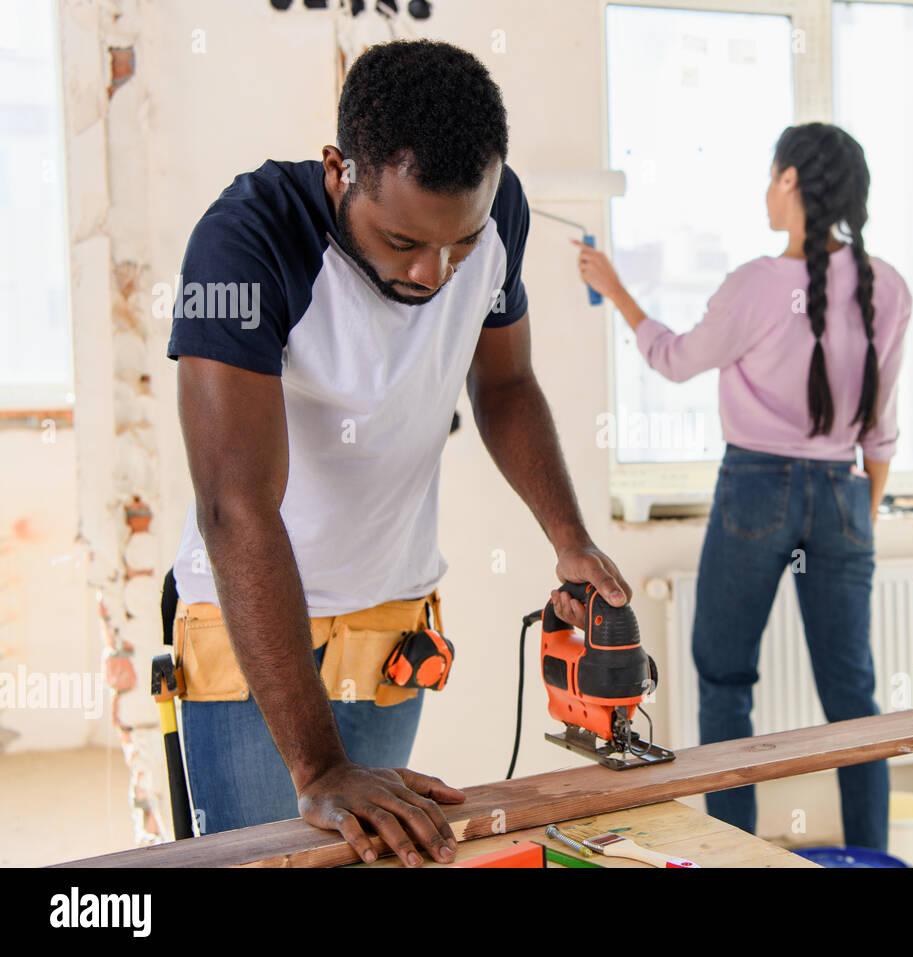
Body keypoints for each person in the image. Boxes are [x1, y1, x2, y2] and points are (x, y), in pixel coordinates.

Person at [165, 39, 630, 866]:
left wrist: (570, 538)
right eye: (403, 239)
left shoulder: (501, 213)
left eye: (459, 243)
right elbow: (235, 507)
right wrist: (321, 766)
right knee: (264, 861)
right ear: (340, 169)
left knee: (378, 858)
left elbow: (508, 384)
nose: (433, 272)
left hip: (392, 613)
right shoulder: (244, 240)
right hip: (251, 627)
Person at [573, 122, 911, 850]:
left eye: (770, 175)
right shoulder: (890, 287)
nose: (765, 189)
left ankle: (736, 858)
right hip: (846, 490)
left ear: (790, 182)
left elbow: (672, 358)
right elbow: (881, 429)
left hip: (756, 486)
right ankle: (873, 856)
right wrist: (859, 517)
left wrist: (617, 291)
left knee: (725, 679)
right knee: (855, 700)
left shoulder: (756, 285)